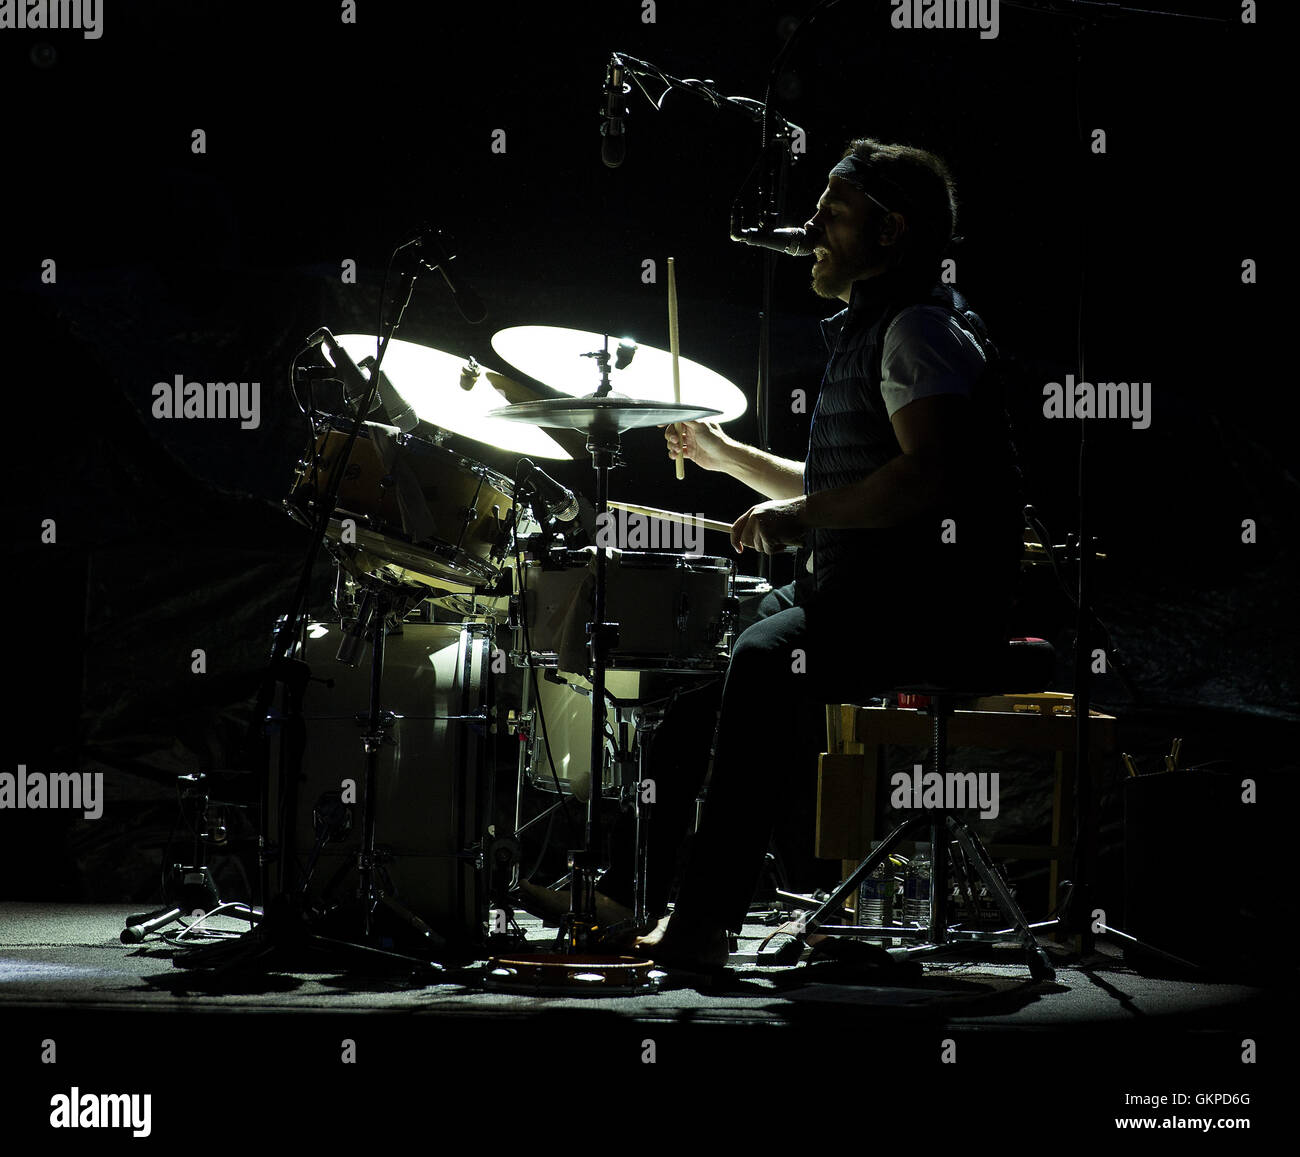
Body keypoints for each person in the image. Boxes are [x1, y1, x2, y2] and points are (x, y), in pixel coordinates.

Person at [626, 137, 1025, 969]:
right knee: (703, 689)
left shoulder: (919, 329)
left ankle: (704, 924)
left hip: (927, 607)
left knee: (765, 658)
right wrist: (725, 455)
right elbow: (849, 476)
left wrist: (800, 516)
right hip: (863, 593)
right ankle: (658, 894)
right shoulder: (880, 327)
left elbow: (926, 480)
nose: (809, 227)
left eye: (831, 213)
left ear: (890, 233)